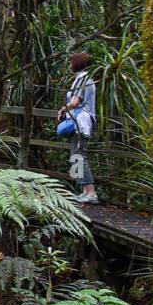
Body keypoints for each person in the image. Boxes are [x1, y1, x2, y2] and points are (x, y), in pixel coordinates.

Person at [59, 52, 98, 203]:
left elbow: (75, 102)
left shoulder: (83, 79)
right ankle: (85, 192)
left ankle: (91, 193)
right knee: (76, 156)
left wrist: (63, 109)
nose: (70, 65)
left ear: (77, 64)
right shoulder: (84, 78)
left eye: (72, 62)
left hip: (80, 123)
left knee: (79, 156)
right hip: (79, 122)